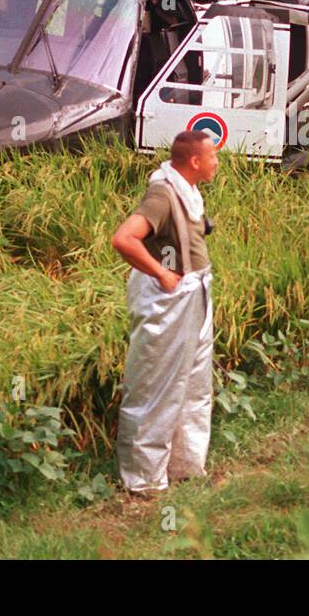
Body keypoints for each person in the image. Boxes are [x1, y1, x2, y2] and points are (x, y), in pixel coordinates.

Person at [110, 130, 220, 496]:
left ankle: (185, 466)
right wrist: (160, 272)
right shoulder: (162, 194)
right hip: (167, 298)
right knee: (157, 385)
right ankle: (143, 479)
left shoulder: (187, 189)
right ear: (194, 161)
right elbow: (123, 238)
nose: (217, 163)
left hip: (194, 291)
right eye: (213, 157)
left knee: (193, 384)